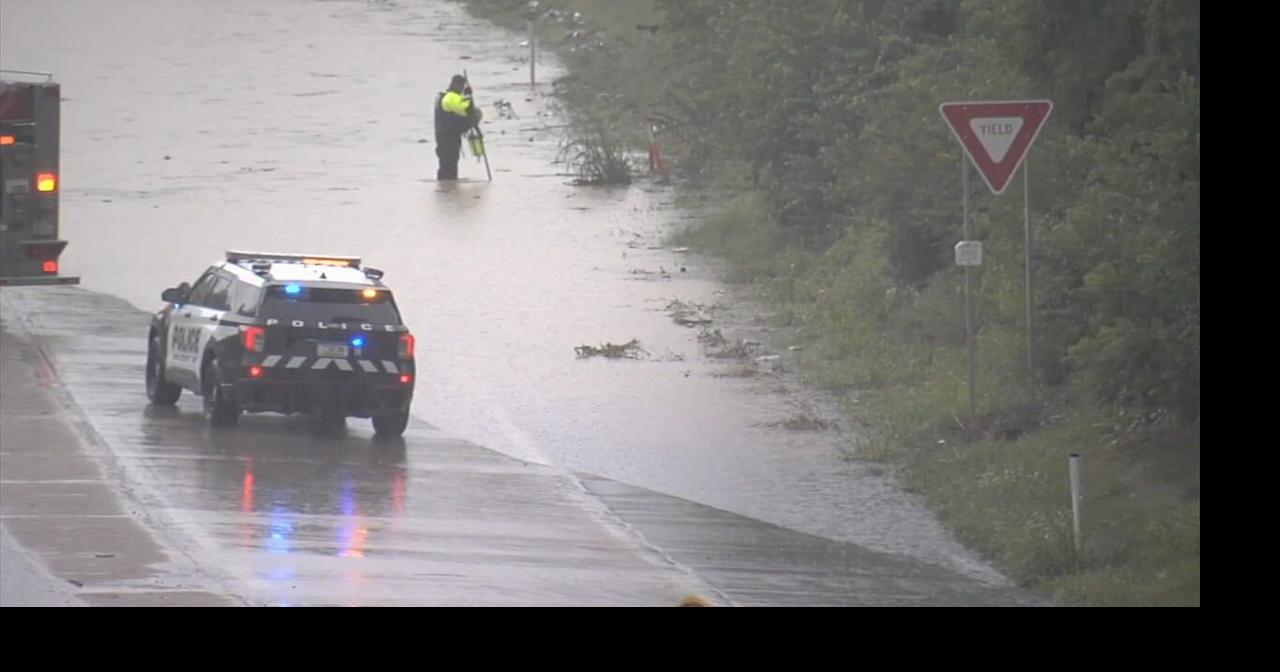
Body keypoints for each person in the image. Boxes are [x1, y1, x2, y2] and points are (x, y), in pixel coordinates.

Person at [433, 75, 482, 180]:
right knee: (449, 164)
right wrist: (468, 96)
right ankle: (447, 187)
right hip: (448, 136)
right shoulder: (451, 97)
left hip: (445, 135)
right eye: (462, 86)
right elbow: (465, 111)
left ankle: (446, 188)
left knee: (448, 164)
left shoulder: (445, 97)